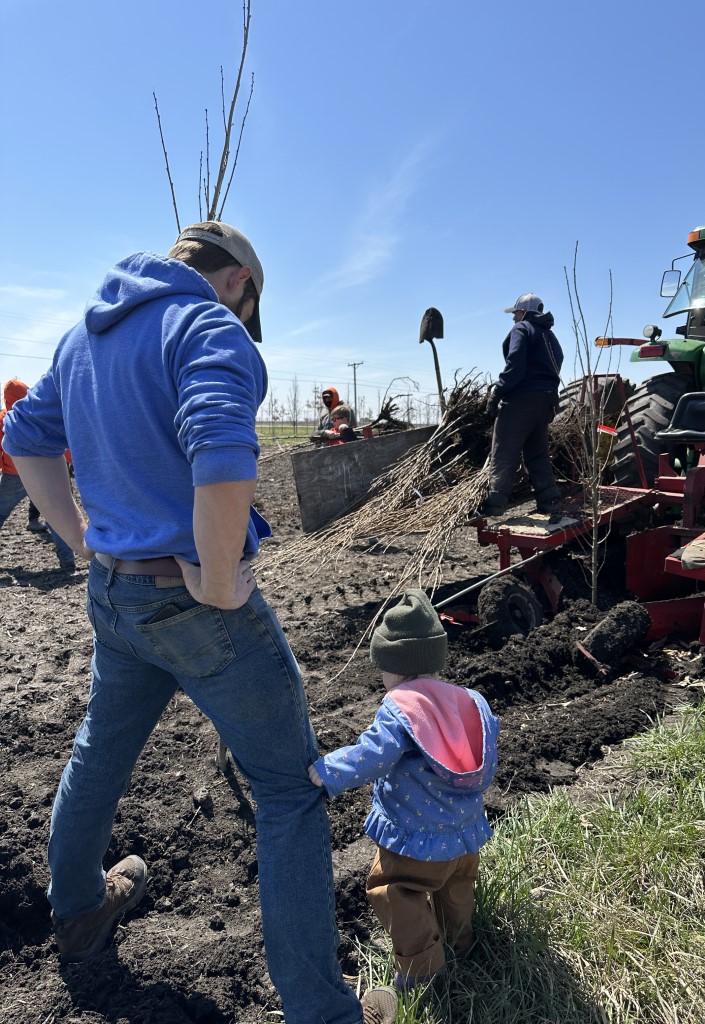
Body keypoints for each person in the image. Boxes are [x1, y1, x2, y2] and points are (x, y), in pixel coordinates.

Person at [2, 221, 395, 1024]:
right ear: (239, 283)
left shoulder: (84, 337)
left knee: (99, 747)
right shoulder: (206, 323)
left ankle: (78, 909)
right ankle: (322, 1012)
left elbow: (24, 437)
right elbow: (222, 453)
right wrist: (220, 583)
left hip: (115, 596)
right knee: (289, 791)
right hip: (194, 603)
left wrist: (82, 540)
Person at [309, 589, 500, 990]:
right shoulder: (470, 701)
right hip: (466, 836)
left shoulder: (401, 706)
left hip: (414, 841)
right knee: (456, 889)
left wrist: (329, 772)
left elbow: (374, 754)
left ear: (394, 666)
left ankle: (421, 971)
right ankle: (459, 945)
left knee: (397, 892)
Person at [480, 293, 564, 517]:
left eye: (516, 313)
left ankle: (495, 501)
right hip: (547, 401)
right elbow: (558, 362)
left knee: (504, 448)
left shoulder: (522, 329)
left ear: (524, 312)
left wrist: (498, 391)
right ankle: (549, 498)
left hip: (522, 399)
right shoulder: (549, 335)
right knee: (537, 451)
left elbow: (515, 362)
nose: (514, 318)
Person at [0, 379, 76, 571]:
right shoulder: (38, 416)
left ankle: (34, 522)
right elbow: (60, 443)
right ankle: (67, 561)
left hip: (13, 475)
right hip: (42, 473)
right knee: (56, 517)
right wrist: (71, 461)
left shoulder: (3, 418)